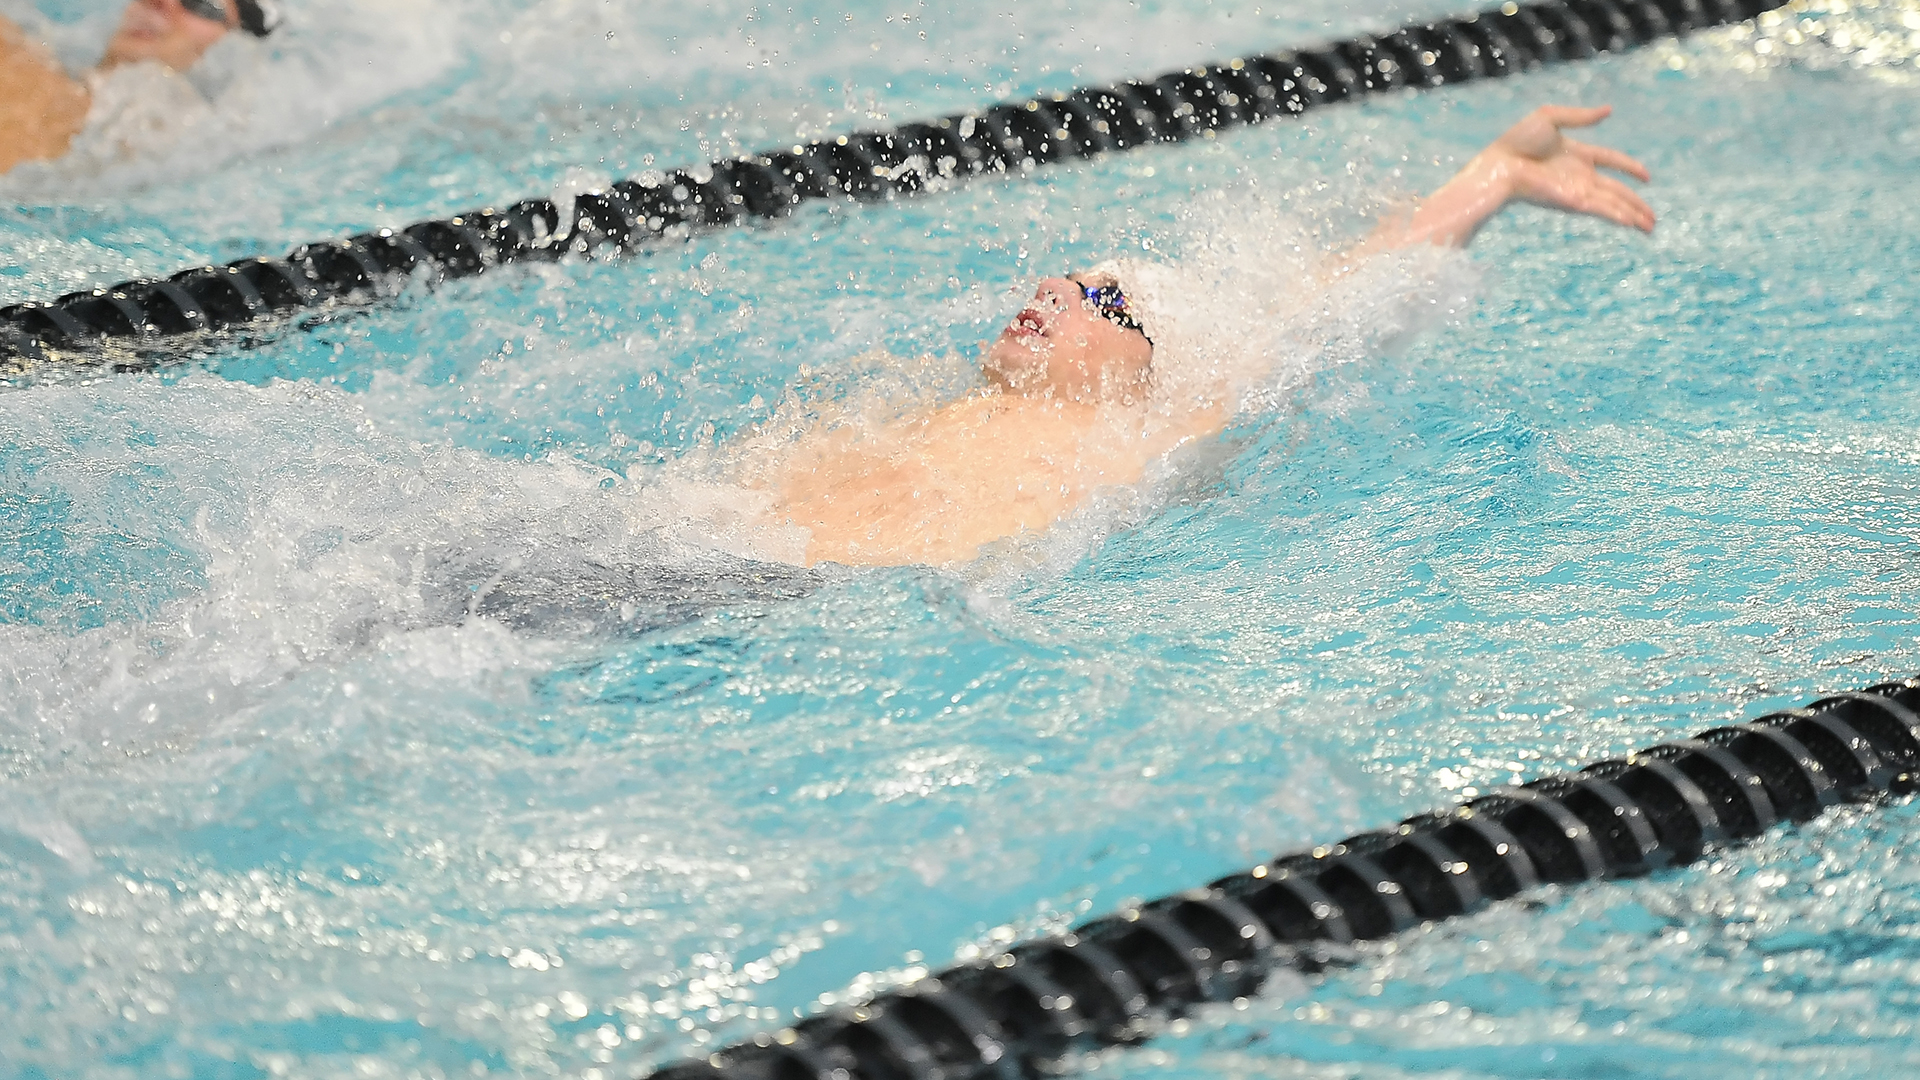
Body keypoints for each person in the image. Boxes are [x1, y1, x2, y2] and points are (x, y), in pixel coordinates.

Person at [737, 105, 1654, 568]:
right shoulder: (903, 403)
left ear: (1149, 370)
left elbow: (1335, 311)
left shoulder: (1144, 440)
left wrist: (1493, 176)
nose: (1055, 288)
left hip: (801, 605)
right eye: (1068, 279)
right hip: (707, 561)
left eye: (1106, 302)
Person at [0, 0, 275, 174]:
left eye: (199, 3)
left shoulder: (169, 127)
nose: (160, 2)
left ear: (239, 46)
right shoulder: (40, 61)